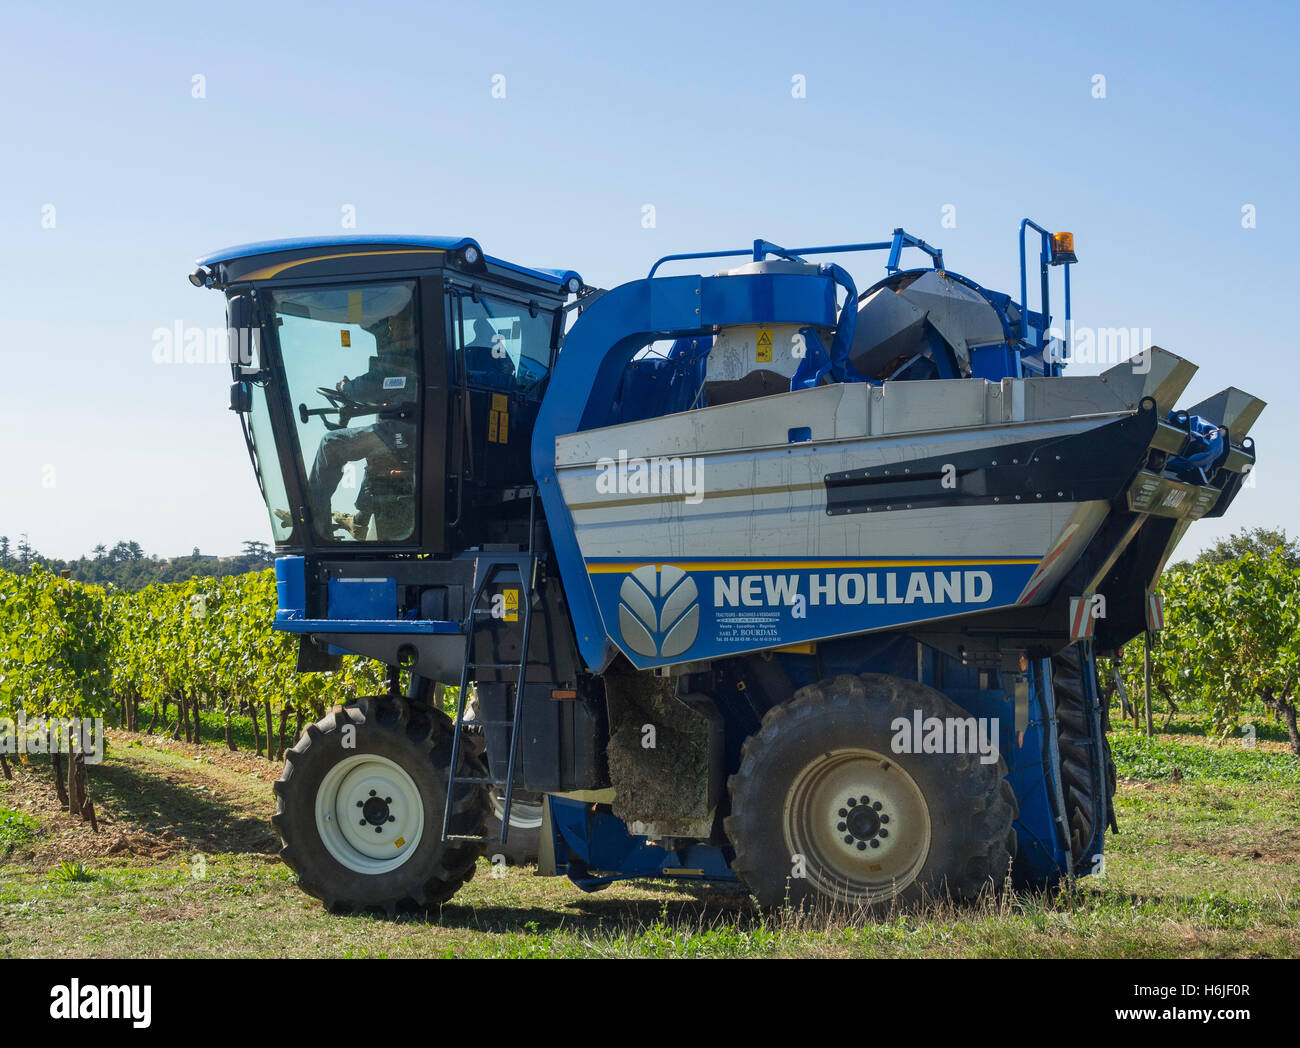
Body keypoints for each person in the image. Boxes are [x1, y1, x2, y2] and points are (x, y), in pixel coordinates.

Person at [307, 309, 419, 541]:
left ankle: (314, 522)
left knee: (330, 443)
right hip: (412, 434)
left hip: (400, 432)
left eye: (395, 322)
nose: (391, 327)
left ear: (409, 325)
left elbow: (372, 386)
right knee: (378, 454)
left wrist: (344, 388)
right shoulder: (428, 352)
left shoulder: (405, 355)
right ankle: (360, 520)